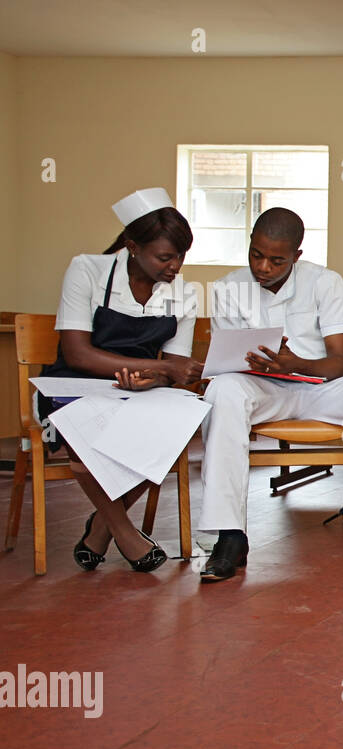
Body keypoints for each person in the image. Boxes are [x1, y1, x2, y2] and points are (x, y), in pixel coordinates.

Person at [198, 207, 343, 580]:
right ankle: (229, 536)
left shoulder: (325, 282)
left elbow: (339, 364)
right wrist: (260, 368)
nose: (263, 267)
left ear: (297, 256)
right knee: (223, 391)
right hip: (262, 389)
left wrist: (293, 364)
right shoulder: (228, 287)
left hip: (319, 388)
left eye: (276, 260)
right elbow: (226, 362)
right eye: (256, 255)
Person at [41, 187, 203, 572]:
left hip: (139, 391)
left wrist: (156, 380)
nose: (175, 266)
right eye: (165, 256)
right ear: (132, 245)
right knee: (85, 431)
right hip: (73, 384)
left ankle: (100, 527)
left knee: (182, 421)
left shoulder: (183, 293)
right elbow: (78, 353)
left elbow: (177, 367)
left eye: (181, 256)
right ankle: (123, 532)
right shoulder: (88, 270)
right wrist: (161, 370)